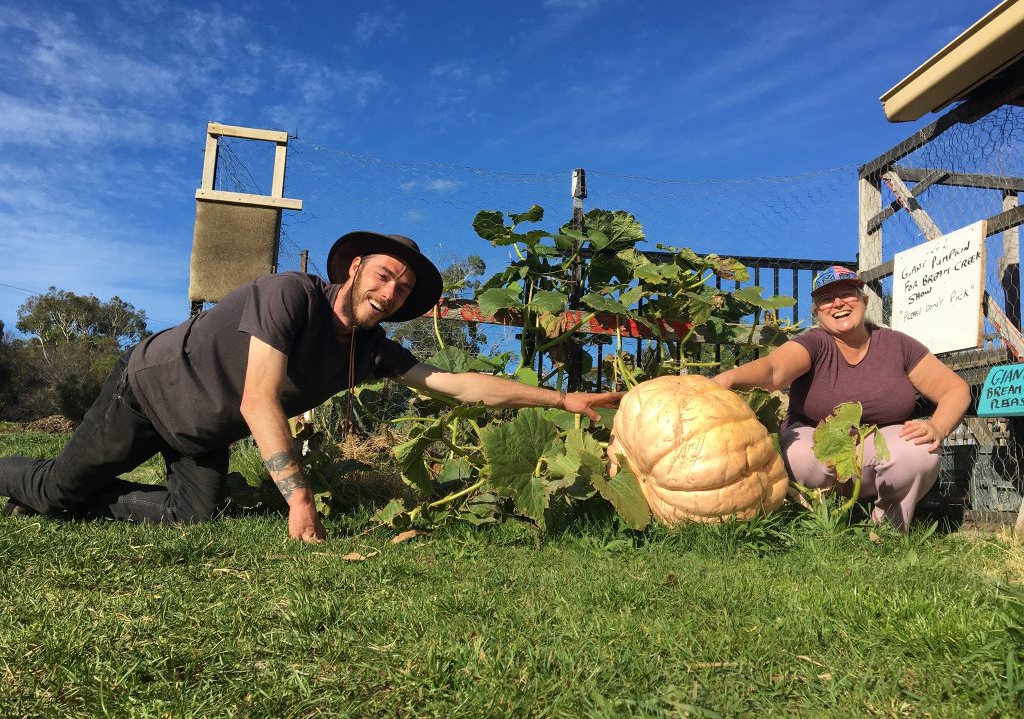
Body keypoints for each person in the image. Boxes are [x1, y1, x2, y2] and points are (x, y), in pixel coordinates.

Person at [0, 232, 623, 542]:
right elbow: (256, 399)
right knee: (54, 492)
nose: (389, 294)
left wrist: (564, 399)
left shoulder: (369, 349)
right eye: (383, 277)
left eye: (402, 291)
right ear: (355, 268)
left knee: (192, 516)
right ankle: (22, 477)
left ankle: (84, 494)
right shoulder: (288, 296)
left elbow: (455, 385)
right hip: (151, 391)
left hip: (204, 431)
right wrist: (298, 497)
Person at [712, 265, 971, 531]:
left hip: (877, 445)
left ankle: (890, 529)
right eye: (826, 299)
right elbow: (775, 369)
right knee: (799, 454)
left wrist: (938, 426)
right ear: (816, 312)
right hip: (817, 443)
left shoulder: (898, 345)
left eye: (847, 293)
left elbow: (955, 389)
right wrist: (728, 379)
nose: (838, 303)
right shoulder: (814, 343)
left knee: (920, 452)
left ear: (864, 300)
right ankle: (819, 521)